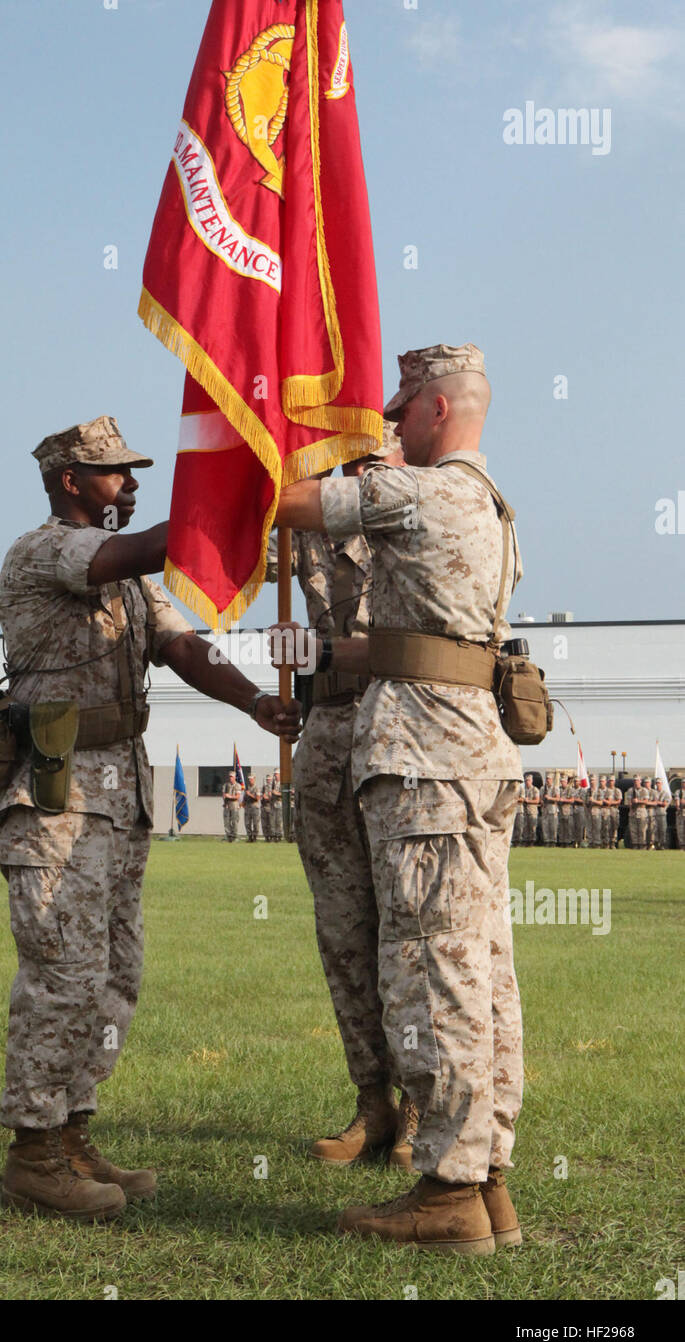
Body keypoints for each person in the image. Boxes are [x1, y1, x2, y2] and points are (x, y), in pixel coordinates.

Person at [0, 414, 300, 1223]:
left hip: (118, 799)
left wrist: (257, 702)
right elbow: (149, 546)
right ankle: (33, 1149)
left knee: (114, 976)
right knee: (61, 972)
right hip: (55, 800)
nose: (129, 484)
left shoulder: (127, 578)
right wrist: (233, 500)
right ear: (70, 481)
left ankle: (74, 1133)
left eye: (133, 472)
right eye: (114, 473)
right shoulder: (51, 550)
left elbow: (182, 649)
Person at [273, 342, 524, 1254]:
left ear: (432, 411)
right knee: (481, 970)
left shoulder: (426, 491)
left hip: (427, 761)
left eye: (400, 407)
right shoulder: (489, 502)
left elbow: (292, 501)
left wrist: (248, 453)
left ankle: (448, 1190)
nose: (389, 420)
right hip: (465, 754)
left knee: (434, 969)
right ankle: (484, 1176)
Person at [267, 426, 417, 1168]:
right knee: (343, 932)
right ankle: (372, 1104)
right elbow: (235, 558)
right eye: (344, 461)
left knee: (409, 927)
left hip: (403, 734)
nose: (356, 473)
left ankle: (424, 1103)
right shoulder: (309, 524)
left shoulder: (423, 514)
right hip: (328, 734)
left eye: (371, 460)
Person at [626, 776, 650, 849]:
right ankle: (635, 844)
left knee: (642, 829)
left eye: (637, 780)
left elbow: (646, 801)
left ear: (640, 781)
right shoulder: (630, 790)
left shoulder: (644, 790)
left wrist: (638, 801)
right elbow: (629, 800)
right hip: (633, 811)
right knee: (633, 829)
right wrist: (630, 805)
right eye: (635, 781)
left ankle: (642, 844)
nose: (636, 782)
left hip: (641, 810)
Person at [221, 772, 241, 842]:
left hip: (234, 805)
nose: (230, 778)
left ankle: (234, 836)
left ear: (235, 777)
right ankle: (228, 836)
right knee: (226, 821)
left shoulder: (238, 785)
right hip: (227, 805)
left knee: (234, 821)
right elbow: (223, 795)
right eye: (230, 776)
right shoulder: (226, 785)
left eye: (232, 776)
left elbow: (237, 796)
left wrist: (230, 796)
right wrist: (225, 802)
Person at [541, 774, 559, 846]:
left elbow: (558, 798)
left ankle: (553, 841)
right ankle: (546, 841)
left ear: (552, 780)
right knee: (545, 826)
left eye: (549, 779)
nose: (548, 780)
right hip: (545, 809)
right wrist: (542, 801)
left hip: (552, 808)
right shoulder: (543, 789)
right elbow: (540, 798)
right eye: (547, 779)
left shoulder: (555, 788)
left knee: (553, 826)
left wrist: (550, 798)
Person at [522, 774, 540, 846]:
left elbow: (537, 801)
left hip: (532, 811)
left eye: (528, 780)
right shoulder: (523, 790)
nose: (527, 782)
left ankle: (532, 842)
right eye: (526, 780)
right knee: (526, 827)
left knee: (533, 827)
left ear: (531, 781)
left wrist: (528, 801)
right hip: (525, 811)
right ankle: (526, 841)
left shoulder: (535, 789)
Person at [243, 775, 261, 842]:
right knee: (247, 823)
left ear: (254, 779)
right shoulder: (247, 788)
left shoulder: (257, 788)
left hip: (254, 806)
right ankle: (250, 837)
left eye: (251, 779)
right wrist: (243, 804)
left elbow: (258, 798)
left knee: (255, 823)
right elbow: (245, 797)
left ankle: (255, 837)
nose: (250, 780)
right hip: (247, 807)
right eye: (249, 779)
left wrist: (250, 794)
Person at [270, 771, 283, 841]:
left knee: (279, 820)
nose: (276, 775)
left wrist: (276, 793)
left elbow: (284, 793)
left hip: (279, 803)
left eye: (277, 774)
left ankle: (279, 835)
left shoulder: (282, 783)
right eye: (275, 774)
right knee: (273, 820)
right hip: (273, 803)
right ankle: (274, 835)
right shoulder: (273, 783)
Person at [260, 775, 273, 841]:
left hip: (270, 806)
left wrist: (268, 797)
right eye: (267, 779)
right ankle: (266, 836)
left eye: (269, 779)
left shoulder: (273, 787)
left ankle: (271, 836)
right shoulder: (264, 787)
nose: (268, 780)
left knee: (270, 823)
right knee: (264, 823)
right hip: (264, 806)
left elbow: (274, 797)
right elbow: (260, 796)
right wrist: (262, 796)